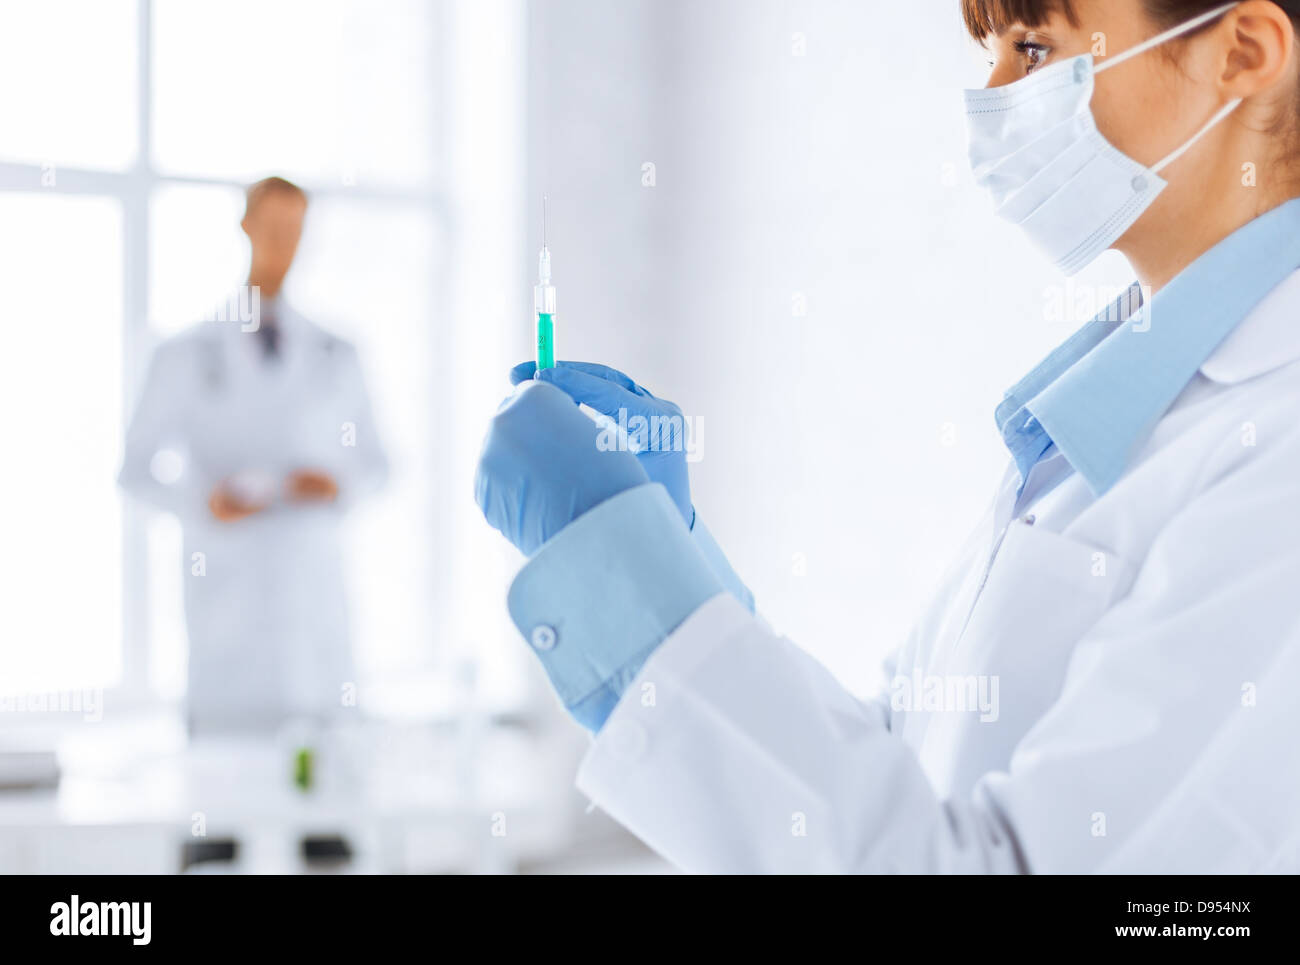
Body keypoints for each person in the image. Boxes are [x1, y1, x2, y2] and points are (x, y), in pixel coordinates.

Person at [474, 0, 1300, 872]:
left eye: (1032, 47)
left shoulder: (1276, 454)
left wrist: (629, 593)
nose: (990, 94)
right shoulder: (1108, 429)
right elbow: (900, 769)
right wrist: (676, 571)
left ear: (1242, 52)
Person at [120, 176, 388, 734]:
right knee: (220, 793)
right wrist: (203, 502)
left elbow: (379, 465)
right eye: (271, 227)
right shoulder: (184, 352)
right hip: (226, 595)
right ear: (245, 227)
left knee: (326, 794)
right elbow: (134, 470)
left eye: (294, 229)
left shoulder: (337, 351)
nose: (283, 242)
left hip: (313, 600)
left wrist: (337, 487)